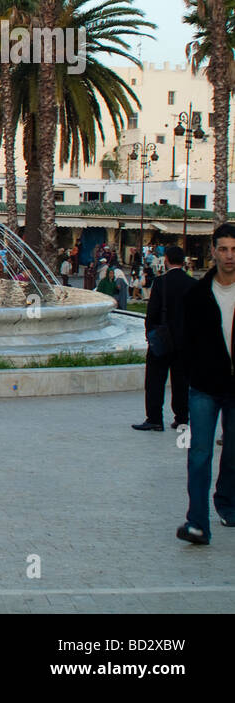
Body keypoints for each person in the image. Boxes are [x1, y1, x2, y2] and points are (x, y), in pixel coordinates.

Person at [176, 223, 235, 545]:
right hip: (204, 387)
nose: (229, 256)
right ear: (213, 251)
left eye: (234, 249)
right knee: (199, 453)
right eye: (223, 249)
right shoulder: (197, 294)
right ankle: (197, 522)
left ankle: (227, 503)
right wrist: (191, 378)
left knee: (233, 454)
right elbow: (186, 341)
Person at [135, 246, 195, 432]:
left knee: (155, 380)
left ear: (166, 259)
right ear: (183, 261)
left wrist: (149, 333)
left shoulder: (161, 282)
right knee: (181, 382)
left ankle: (154, 418)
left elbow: (152, 311)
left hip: (162, 339)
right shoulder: (192, 283)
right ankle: (182, 418)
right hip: (184, 341)